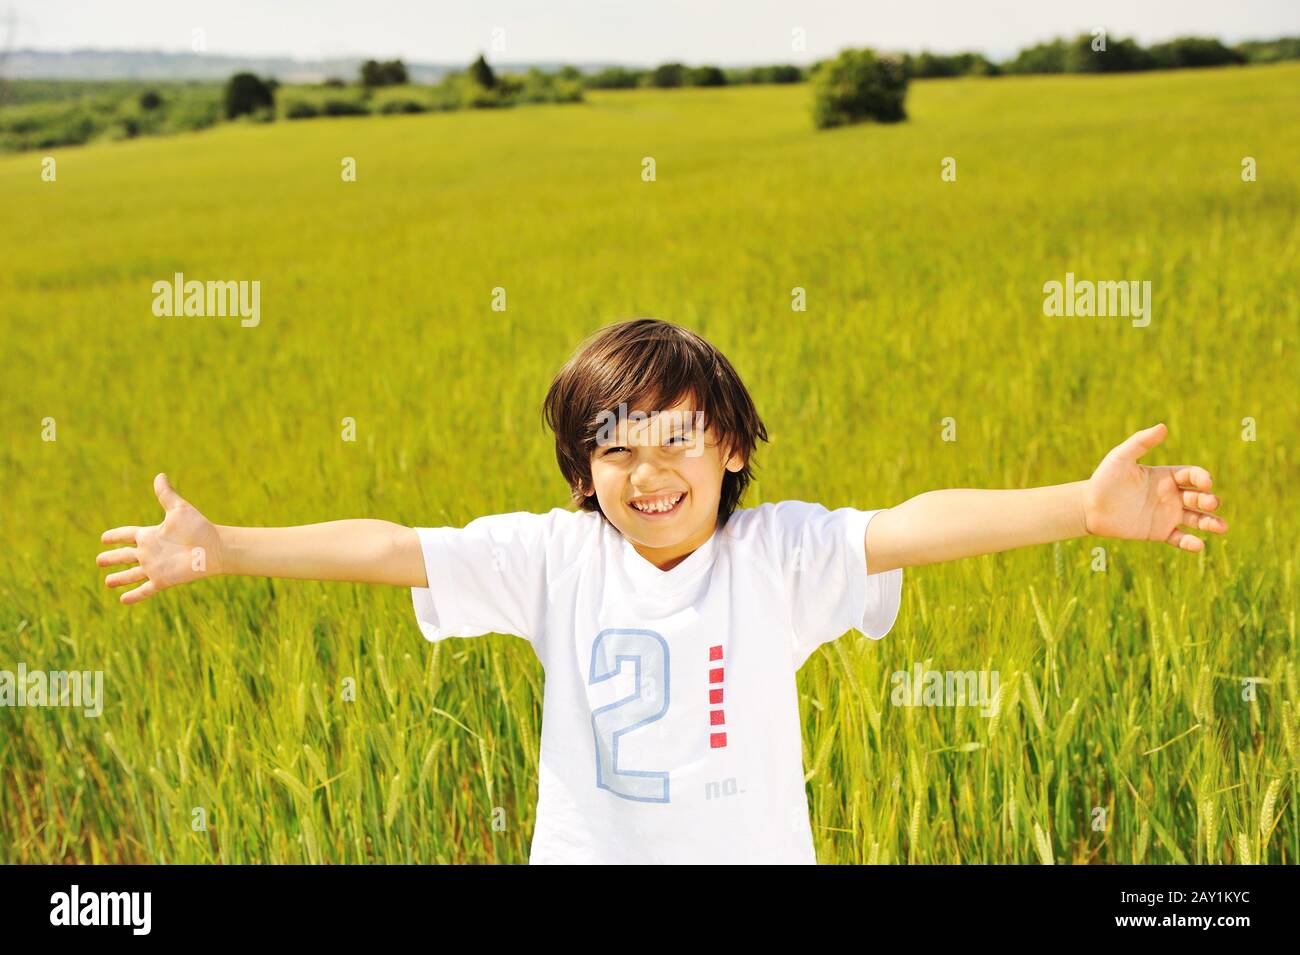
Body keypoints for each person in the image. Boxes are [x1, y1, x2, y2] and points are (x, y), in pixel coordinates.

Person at [96, 318, 1227, 863]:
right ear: (583, 470)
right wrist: (226, 546)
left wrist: (1075, 509)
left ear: (731, 447)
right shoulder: (553, 557)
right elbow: (395, 547)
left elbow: (913, 526)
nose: (648, 473)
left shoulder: (778, 556)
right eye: (615, 448)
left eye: (677, 441)